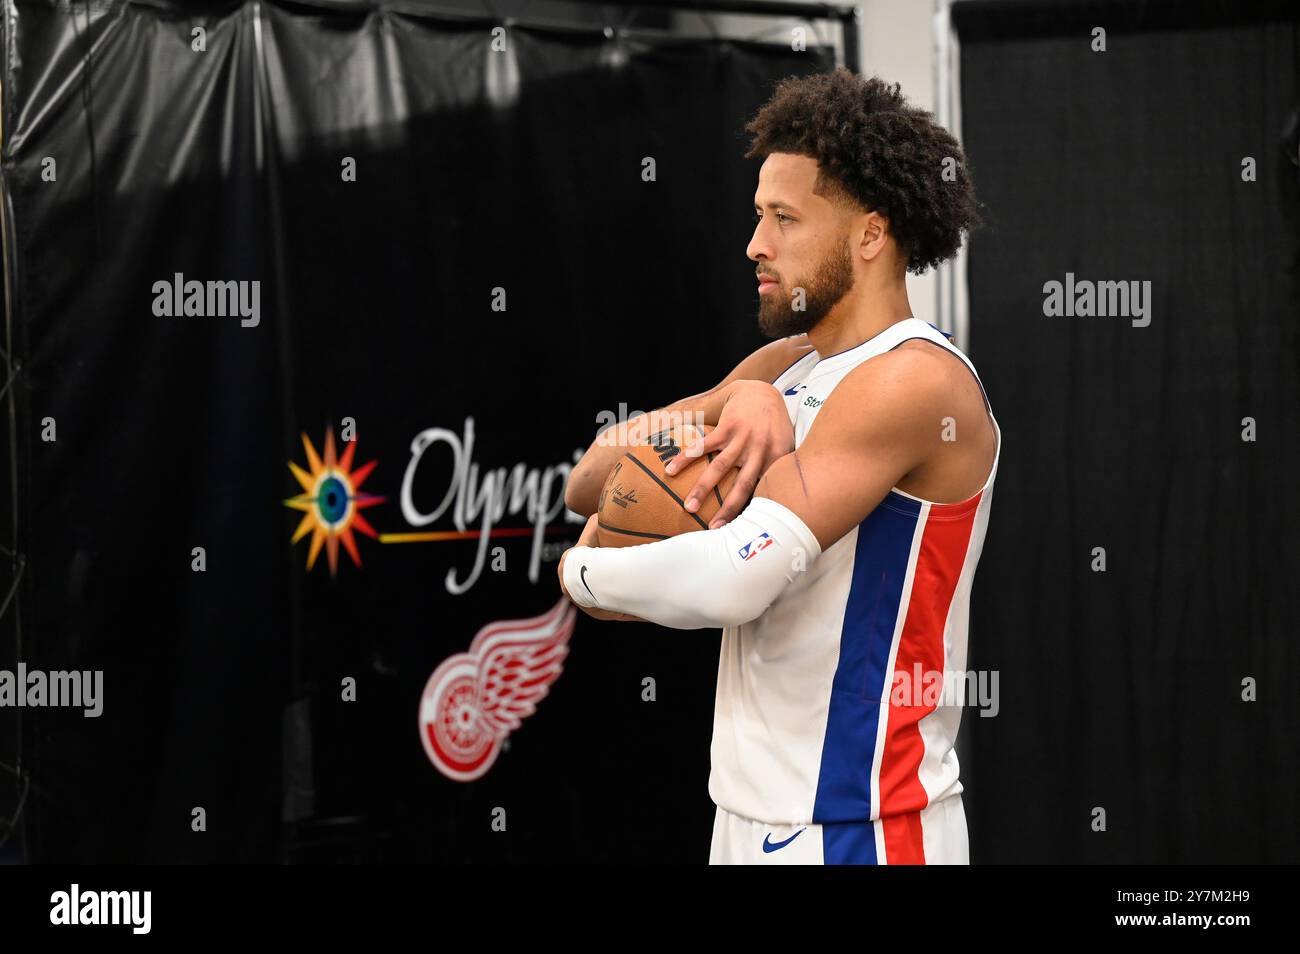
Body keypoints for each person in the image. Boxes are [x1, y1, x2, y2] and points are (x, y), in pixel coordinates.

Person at [559, 69, 996, 865]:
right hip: (746, 814)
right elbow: (589, 477)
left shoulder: (913, 380)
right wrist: (737, 405)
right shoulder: (787, 364)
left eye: (784, 219)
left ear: (871, 234)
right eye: (759, 215)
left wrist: (583, 573)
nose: (755, 244)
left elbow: (739, 577)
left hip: (862, 826)